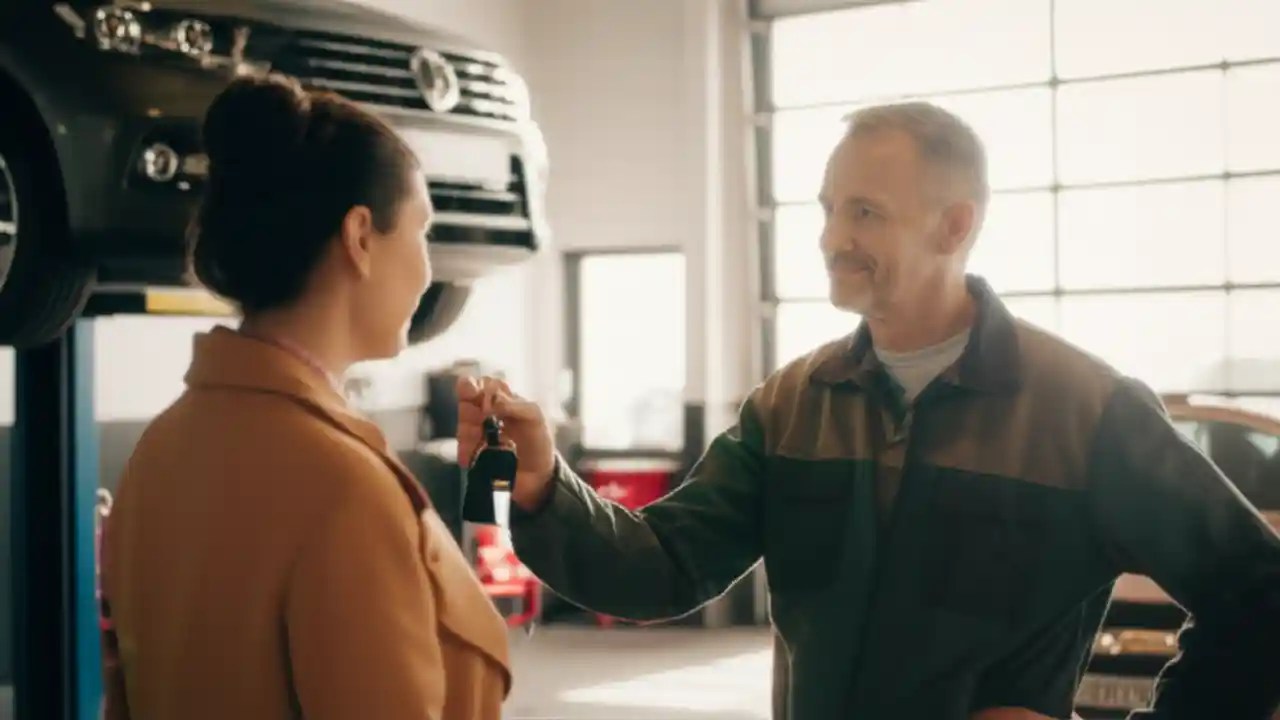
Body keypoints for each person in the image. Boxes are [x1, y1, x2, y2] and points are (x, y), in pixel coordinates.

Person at [458, 102, 1280, 720]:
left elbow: (1261, 597)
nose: (829, 238)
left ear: (955, 226)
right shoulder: (789, 405)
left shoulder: (1085, 410)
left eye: (865, 213)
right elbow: (664, 566)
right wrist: (538, 486)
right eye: (827, 208)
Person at [100, 73, 511, 720]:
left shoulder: (160, 450)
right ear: (360, 238)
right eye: (422, 231)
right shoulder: (346, 488)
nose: (431, 268)